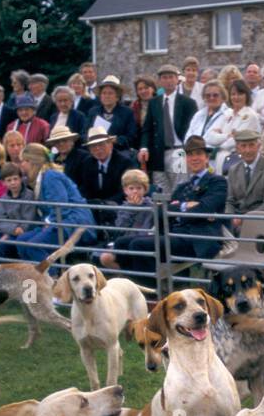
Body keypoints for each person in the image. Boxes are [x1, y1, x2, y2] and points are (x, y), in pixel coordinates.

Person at [121, 135, 227, 273]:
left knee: (138, 245)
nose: (194, 158)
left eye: (199, 154)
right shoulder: (182, 187)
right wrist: (184, 206)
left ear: (206, 157)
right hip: (174, 235)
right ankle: (133, 284)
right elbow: (161, 211)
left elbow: (205, 209)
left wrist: (177, 209)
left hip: (197, 239)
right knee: (122, 243)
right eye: (190, 155)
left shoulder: (217, 182)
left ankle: (151, 291)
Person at [13, 143, 96, 263]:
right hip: (59, 223)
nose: (21, 165)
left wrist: (48, 223)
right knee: (21, 241)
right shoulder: (42, 178)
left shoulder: (51, 176)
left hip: (74, 224)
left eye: (23, 161)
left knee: (33, 246)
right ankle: (35, 275)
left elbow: (61, 208)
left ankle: (51, 278)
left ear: (32, 162)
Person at [138, 63, 197, 191]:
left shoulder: (188, 102)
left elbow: (194, 129)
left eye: (171, 77)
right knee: (161, 189)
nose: (168, 81)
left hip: (179, 151)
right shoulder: (154, 102)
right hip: (158, 152)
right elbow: (147, 128)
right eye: (164, 77)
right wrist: (144, 147)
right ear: (159, 81)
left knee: (180, 188)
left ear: (177, 79)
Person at [95, 169, 155, 273]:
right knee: (105, 257)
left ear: (145, 190)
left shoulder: (151, 207)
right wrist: (131, 209)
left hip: (141, 242)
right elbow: (120, 227)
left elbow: (147, 228)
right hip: (123, 242)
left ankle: (135, 277)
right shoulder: (123, 207)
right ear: (125, 190)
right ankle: (126, 275)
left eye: (139, 188)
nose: (135, 191)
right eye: (131, 188)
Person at [225, 128, 264, 217]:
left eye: (251, 145)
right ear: (237, 149)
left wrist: (246, 218)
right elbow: (229, 201)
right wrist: (230, 217)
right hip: (236, 219)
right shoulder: (233, 170)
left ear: (259, 146)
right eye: (243, 146)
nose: (248, 150)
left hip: (262, 219)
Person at [206, 80, 260, 174]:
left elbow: (234, 142)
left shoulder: (250, 116)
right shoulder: (227, 114)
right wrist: (227, 136)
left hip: (239, 161)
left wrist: (219, 138)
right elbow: (209, 137)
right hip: (220, 161)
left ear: (246, 95)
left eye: (240, 94)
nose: (236, 97)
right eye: (233, 94)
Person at [76, 127, 132, 212]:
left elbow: (124, 192)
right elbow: (85, 187)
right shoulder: (87, 163)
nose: (98, 149)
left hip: (117, 209)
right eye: (93, 146)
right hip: (93, 209)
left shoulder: (125, 163)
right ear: (89, 149)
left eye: (101, 144)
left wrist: (105, 204)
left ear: (110, 144)